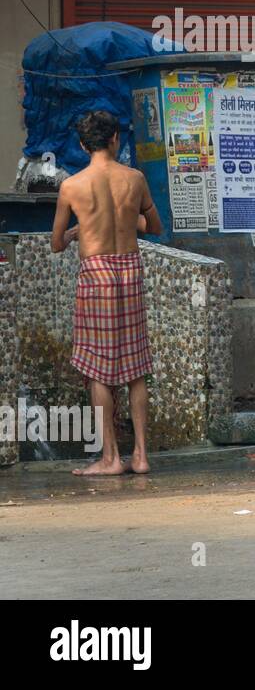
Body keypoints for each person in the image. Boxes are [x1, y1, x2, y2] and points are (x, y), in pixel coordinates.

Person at [51, 110, 163, 476]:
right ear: (116, 138)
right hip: (129, 269)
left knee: (98, 369)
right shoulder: (135, 178)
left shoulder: (72, 186)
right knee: (136, 368)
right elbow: (154, 225)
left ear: (83, 145)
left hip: (96, 273)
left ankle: (111, 459)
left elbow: (55, 243)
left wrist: (77, 232)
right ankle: (142, 457)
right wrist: (127, 217)